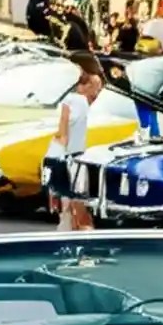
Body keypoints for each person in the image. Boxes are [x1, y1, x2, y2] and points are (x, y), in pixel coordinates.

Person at [46, 70, 102, 230]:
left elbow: (63, 127)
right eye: (95, 87)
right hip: (74, 155)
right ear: (85, 86)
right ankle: (81, 229)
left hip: (71, 154)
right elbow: (64, 128)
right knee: (77, 198)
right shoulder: (77, 101)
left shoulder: (72, 101)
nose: (97, 92)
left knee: (68, 199)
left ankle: (69, 227)